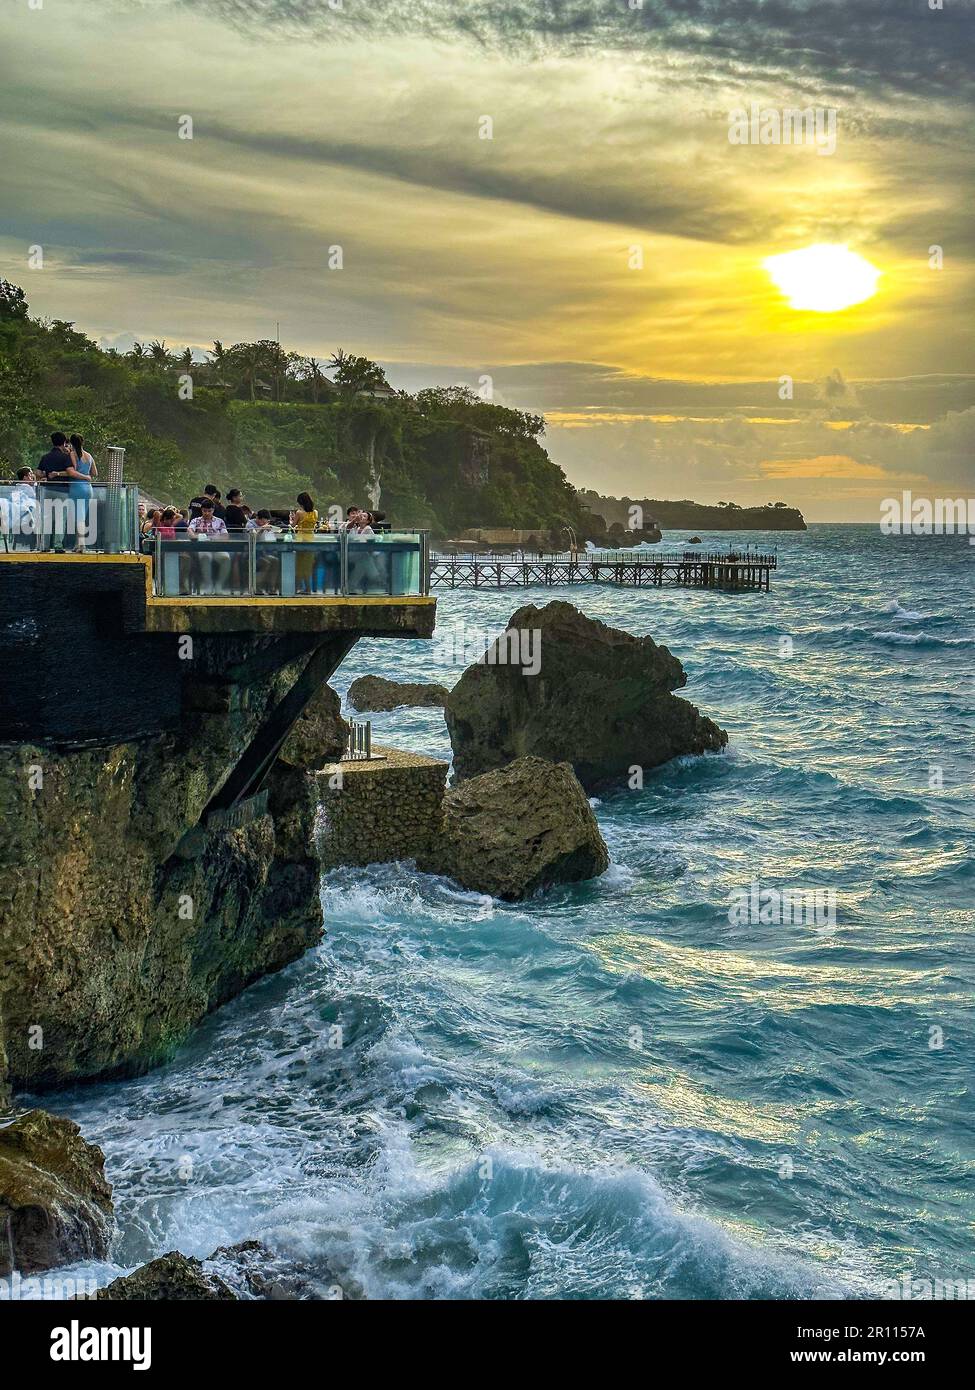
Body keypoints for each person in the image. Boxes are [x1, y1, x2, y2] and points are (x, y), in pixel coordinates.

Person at [37, 431, 88, 549]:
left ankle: (44, 545)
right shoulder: (66, 457)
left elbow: (38, 472)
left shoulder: (45, 457)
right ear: (64, 442)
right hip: (62, 491)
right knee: (60, 519)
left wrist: (46, 474)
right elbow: (70, 471)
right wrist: (59, 474)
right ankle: (58, 545)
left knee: (46, 518)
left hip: (47, 490)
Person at [187, 498, 231, 593]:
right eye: (204, 511)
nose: (207, 513)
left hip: (217, 549)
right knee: (205, 557)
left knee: (226, 558)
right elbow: (190, 531)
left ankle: (219, 584)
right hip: (202, 549)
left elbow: (225, 536)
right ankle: (208, 584)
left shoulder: (219, 521)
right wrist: (196, 536)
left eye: (209, 511)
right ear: (201, 510)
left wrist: (215, 538)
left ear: (213, 510)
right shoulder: (195, 521)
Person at [68, 434, 96, 548]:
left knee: (78, 515)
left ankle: (81, 543)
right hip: (88, 488)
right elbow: (95, 473)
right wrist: (86, 474)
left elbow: (73, 471)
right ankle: (78, 543)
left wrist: (83, 476)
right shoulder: (89, 456)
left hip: (76, 487)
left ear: (71, 443)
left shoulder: (73, 454)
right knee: (82, 515)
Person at [292, 491, 319, 593]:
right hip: (311, 540)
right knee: (307, 566)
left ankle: (296, 588)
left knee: (299, 565)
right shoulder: (315, 512)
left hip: (300, 540)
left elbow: (294, 525)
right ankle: (308, 589)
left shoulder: (299, 513)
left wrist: (292, 521)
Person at [7, 467, 37, 550]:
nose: (32, 477)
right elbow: (35, 498)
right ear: (25, 478)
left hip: (16, 518)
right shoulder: (27, 488)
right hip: (26, 518)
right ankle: (37, 545)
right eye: (30, 475)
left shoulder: (16, 488)